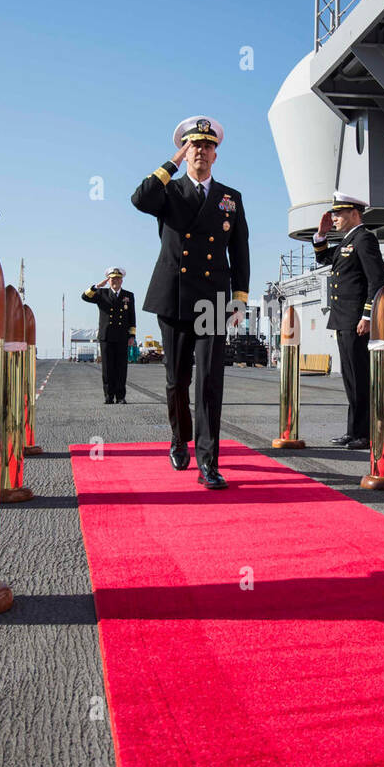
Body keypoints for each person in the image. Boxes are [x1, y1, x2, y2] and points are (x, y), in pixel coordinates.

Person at [131, 117, 249, 490]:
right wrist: (172, 162)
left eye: (206, 145)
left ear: (216, 152)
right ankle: (179, 439)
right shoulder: (169, 191)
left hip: (213, 297)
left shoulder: (230, 198)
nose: (200, 150)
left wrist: (240, 298)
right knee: (177, 380)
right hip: (174, 294)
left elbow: (239, 250)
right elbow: (140, 197)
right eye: (193, 145)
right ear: (186, 150)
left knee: (210, 382)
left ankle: (209, 462)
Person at [311, 192, 384, 450]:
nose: (334, 218)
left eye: (338, 213)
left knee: (359, 377)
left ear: (354, 213)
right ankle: (353, 431)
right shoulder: (348, 240)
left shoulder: (364, 239)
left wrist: (367, 315)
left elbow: (377, 280)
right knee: (350, 377)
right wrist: (321, 236)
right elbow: (324, 258)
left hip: (356, 320)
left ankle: (364, 434)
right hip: (343, 319)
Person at [82, 268, 136, 404]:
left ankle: (121, 396)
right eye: (112, 279)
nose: (115, 281)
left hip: (122, 336)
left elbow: (132, 316)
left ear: (121, 280)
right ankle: (109, 395)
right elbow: (84, 297)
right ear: (109, 280)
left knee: (121, 368)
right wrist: (96, 286)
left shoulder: (128, 295)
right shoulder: (101, 293)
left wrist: (132, 336)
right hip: (106, 336)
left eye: (118, 279)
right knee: (107, 368)